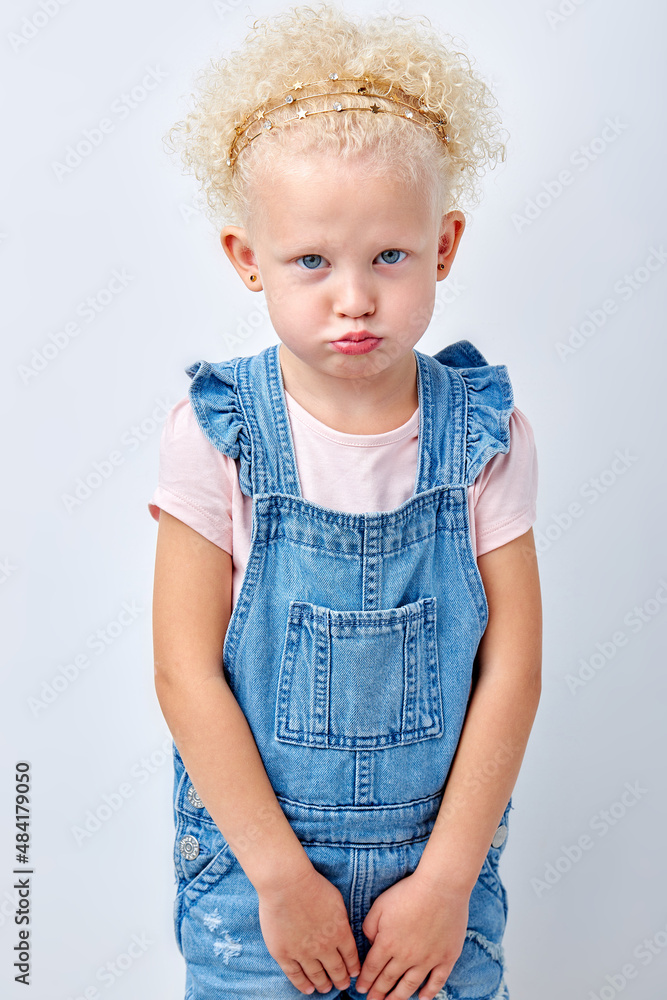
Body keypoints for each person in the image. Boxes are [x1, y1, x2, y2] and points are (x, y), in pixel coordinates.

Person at [149, 5, 542, 1000]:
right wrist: (280, 878)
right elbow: (183, 671)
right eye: (312, 261)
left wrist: (449, 878)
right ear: (248, 259)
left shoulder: (484, 437)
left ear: (444, 244)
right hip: (254, 876)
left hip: (436, 875)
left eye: (390, 257)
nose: (354, 297)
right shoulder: (217, 433)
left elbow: (514, 666)